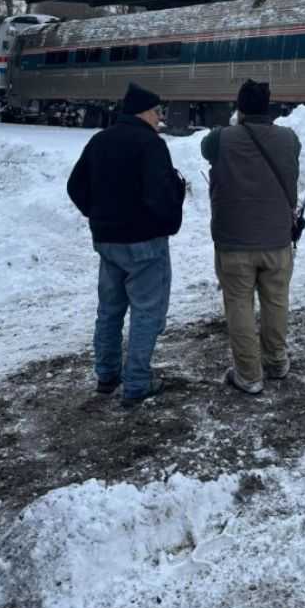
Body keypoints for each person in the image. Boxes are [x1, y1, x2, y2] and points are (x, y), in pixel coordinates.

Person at [66, 82, 186, 407]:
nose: (160, 119)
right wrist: (168, 221)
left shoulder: (99, 140)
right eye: (158, 112)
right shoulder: (151, 145)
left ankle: (106, 375)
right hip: (145, 243)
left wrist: (100, 216)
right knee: (147, 312)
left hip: (108, 241)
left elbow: (75, 186)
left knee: (109, 310)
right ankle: (137, 383)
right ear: (144, 112)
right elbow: (160, 196)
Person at [200, 80, 302, 395]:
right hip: (277, 240)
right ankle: (276, 362)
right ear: (269, 107)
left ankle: (248, 374)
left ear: (239, 108)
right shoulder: (290, 139)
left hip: (233, 242)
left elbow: (207, 149)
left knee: (239, 305)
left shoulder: (220, 139)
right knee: (276, 301)